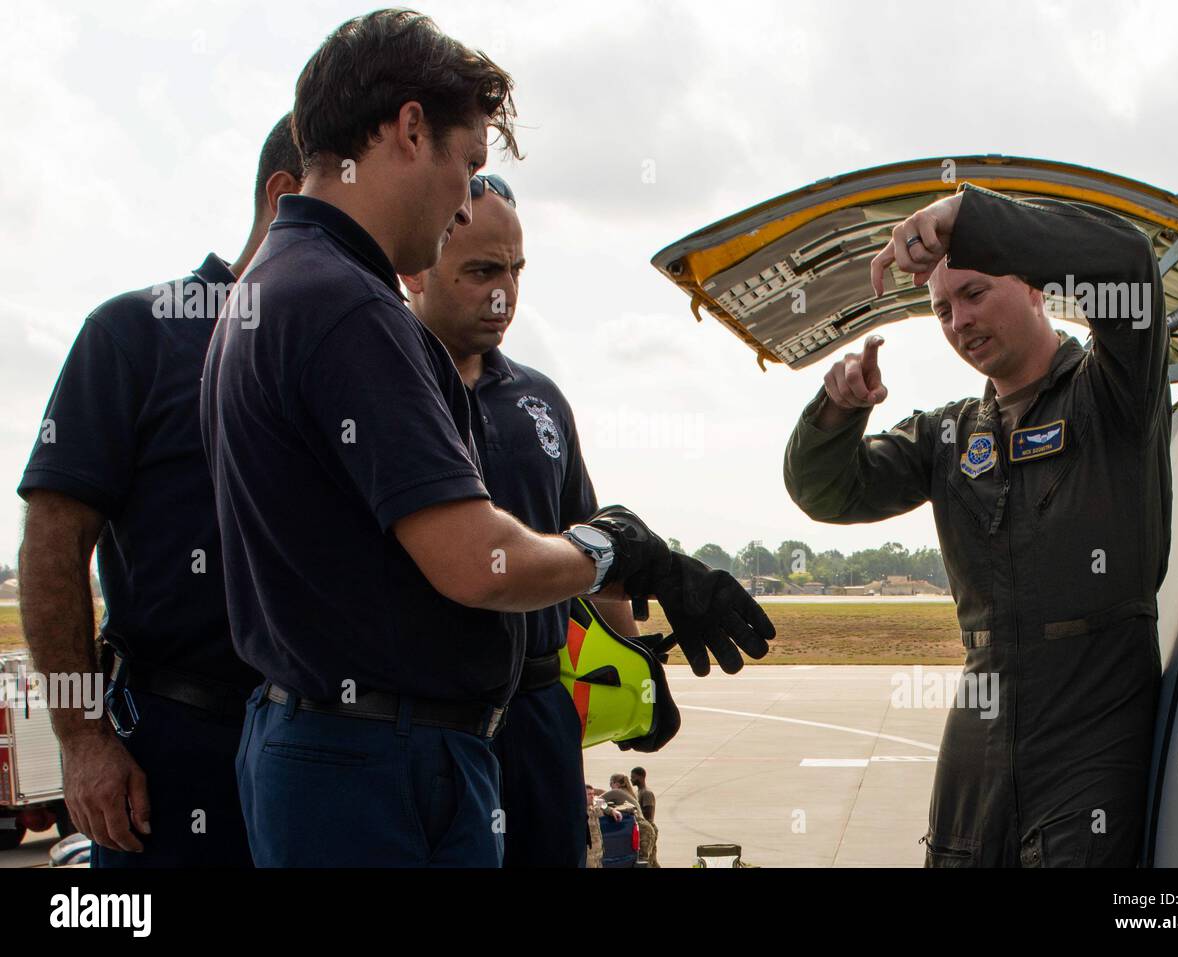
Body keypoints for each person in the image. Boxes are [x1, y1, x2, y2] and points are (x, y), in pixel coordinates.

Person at [201, 9, 773, 867]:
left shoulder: (267, 290)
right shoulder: (350, 305)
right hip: (380, 766)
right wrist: (616, 548)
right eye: (469, 166)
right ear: (408, 130)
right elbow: (477, 561)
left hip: (322, 746)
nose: (464, 201)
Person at [784, 183, 1170, 867]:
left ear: (1031, 286)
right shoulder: (950, 435)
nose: (957, 320)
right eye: (940, 309)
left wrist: (969, 217)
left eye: (973, 293)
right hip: (981, 724)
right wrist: (836, 413)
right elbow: (828, 490)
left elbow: (1129, 268)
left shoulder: (1111, 395)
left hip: (1092, 722)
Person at [16, 115, 303, 867]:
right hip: (174, 751)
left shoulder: (347, 353)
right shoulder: (135, 333)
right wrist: (82, 739)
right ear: (284, 197)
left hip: (320, 747)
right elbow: (52, 543)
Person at [401, 172, 639, 867]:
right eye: (480, 270)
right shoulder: (387, 389)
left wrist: (637, 673)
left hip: (538, 710)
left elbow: (592, 550)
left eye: (514, 269)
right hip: (428, 717)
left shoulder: (542, 399)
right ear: (416, 272)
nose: (503, 292)